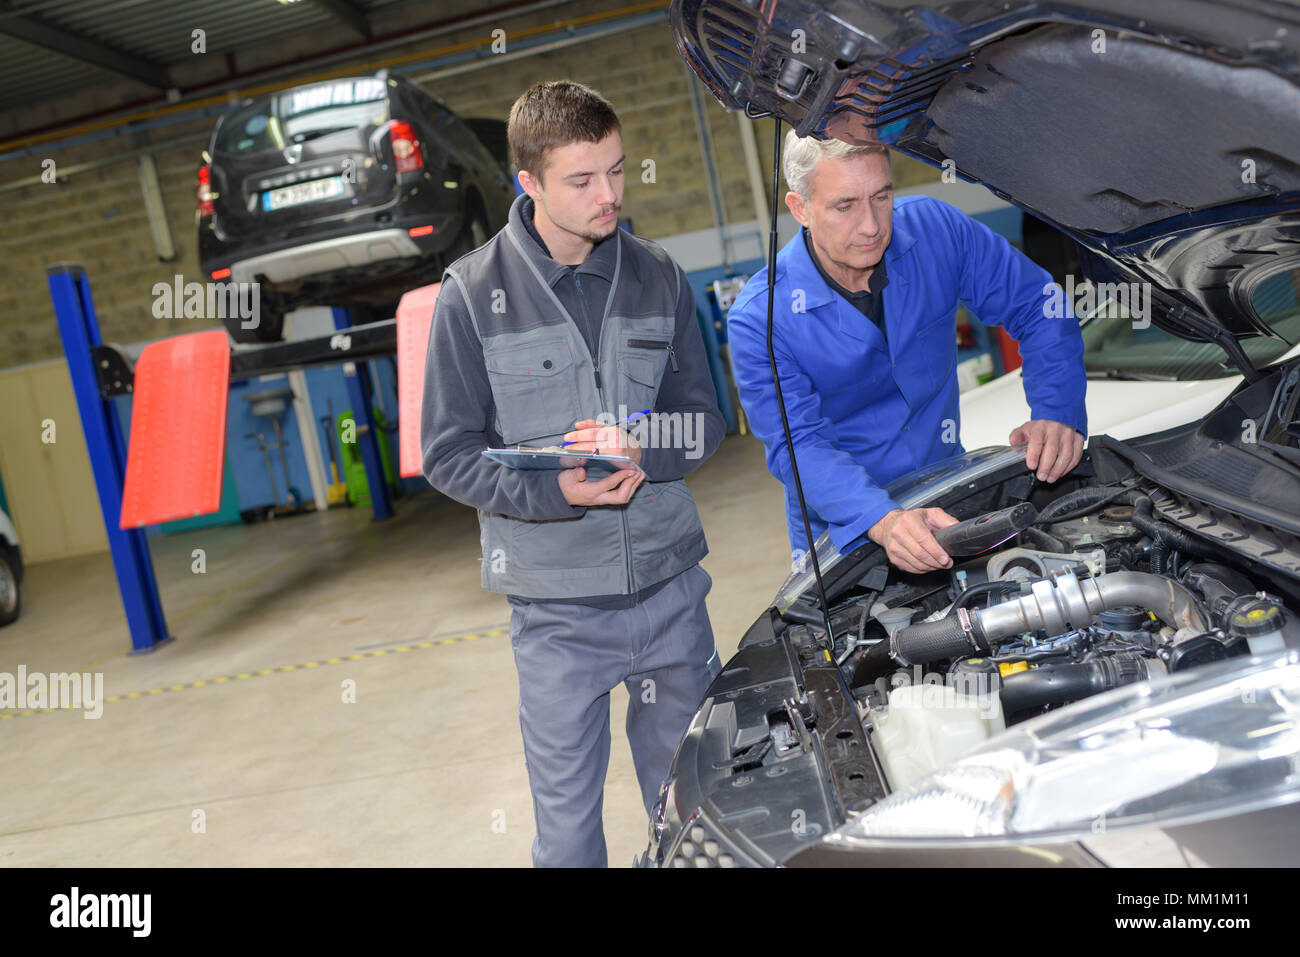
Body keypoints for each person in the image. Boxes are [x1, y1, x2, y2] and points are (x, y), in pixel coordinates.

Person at [420, 80, 726, 867]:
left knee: (694, 818)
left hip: (670, 595)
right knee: (567, 840)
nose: (609, 195)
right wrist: (555, 490)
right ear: (529, 183)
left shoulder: (658, 274)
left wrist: (642, 447)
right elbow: (448, 453)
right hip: (558, 617)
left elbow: (707, 420)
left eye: (618, 171)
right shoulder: (471, 296)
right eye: (583, 181)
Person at [728, 132, 1087, 574]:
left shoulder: (936, 232)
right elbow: (798, 445)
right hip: (846, 532)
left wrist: (1059, 408)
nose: (872, 225)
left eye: (881, 197)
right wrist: (882, 520)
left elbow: (1038, 304)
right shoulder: (761, 317)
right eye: (845, 206)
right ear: (800, 208)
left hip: (950, 495)